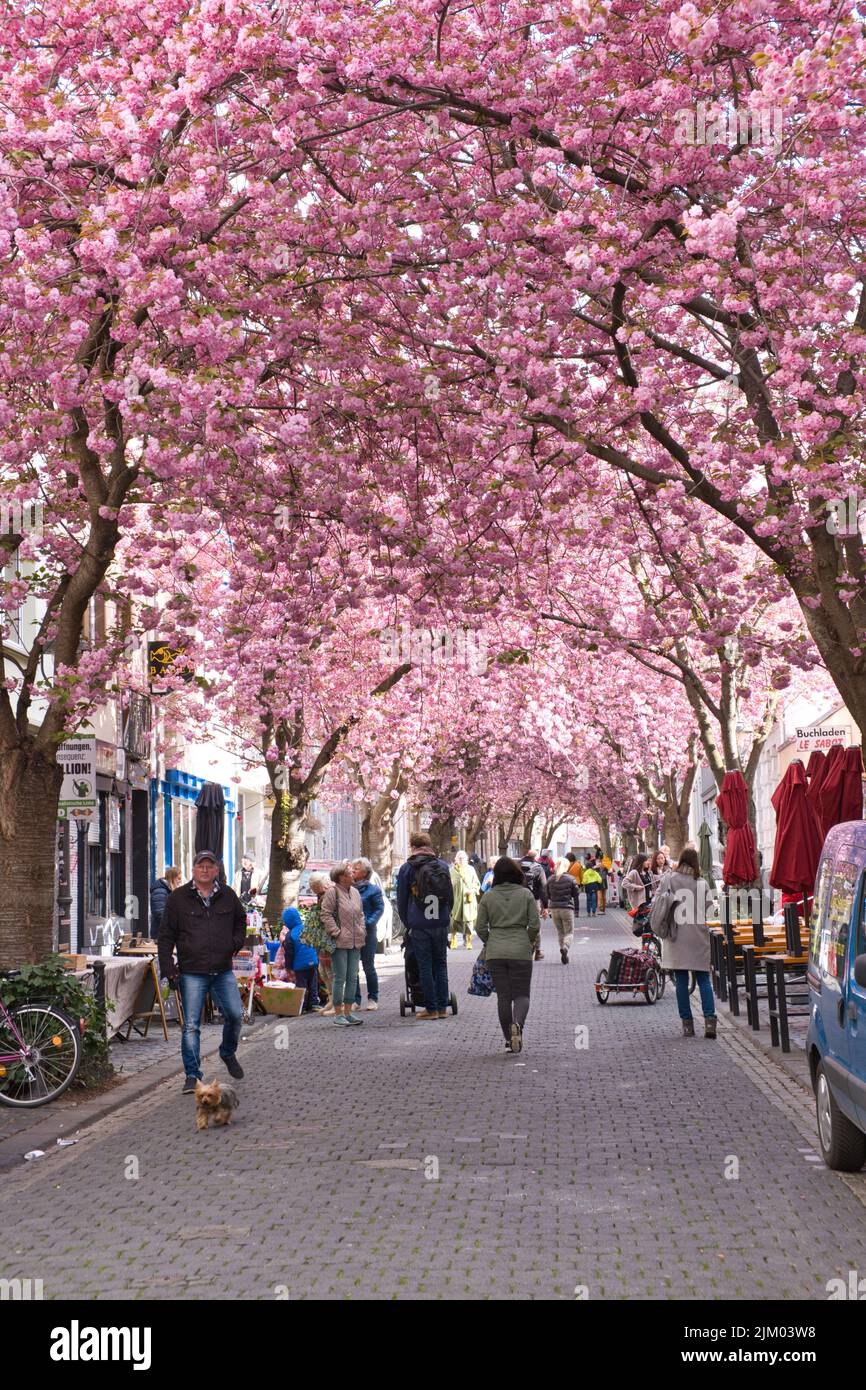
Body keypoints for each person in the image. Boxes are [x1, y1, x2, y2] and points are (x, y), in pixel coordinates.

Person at [158, 850, 246, 1093]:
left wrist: (234, 943)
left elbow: (241, 921)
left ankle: (227, 1052)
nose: (205, 870)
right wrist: (169, 969)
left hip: (222, 969)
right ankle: (192, 1075)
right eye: (201, 866)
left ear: (216, 870)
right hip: (192, 970)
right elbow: (165, 936)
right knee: (191, 1025)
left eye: (210, 866)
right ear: (193, 870)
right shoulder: (178, 899)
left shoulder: (228, 895)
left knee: (235, 1015)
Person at [475, 856, 540, 1053]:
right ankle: (517, 1026)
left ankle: (507, 1038)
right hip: (520, 949)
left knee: (503, 997)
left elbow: (479, 927)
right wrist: (527, 941)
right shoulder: (525, 895)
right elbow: (534, 925)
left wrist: (490, 940)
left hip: (495, 951)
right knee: (521, 994)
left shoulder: (489, 896)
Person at [657, 847, 717, 1038]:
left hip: (676, 936)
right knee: (704, 980)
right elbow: (710, 909)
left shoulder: (669, 879)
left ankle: (687, 1026)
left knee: (681, 981)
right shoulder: (701, 883)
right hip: (698, 936)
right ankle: (709, 1024)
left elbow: (658, 901)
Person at [396, 831, 454, 1020]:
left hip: (419, 924)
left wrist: (408, 922)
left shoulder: (408, 868)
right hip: (440, 922)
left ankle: (431, 1008)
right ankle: (442, 1006)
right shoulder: (443, 865)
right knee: (441, 964)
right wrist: (446, 916)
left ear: (413, 846)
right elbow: (450, 897)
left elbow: (402, 900)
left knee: (425, 966)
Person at [320, 862, 366, 1027]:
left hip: (356, 941)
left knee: (352, 977)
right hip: (340, 942)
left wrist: (362, 930)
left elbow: (360, 914)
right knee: (340, 978)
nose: (353, 874)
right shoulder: (332, 893)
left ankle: (348, 1011)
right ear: (341, 877)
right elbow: (325, 914)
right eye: (349, 873)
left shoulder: (354, 892)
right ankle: (338, 1013)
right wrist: (336, 932)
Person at [352, 857, 384, 1010]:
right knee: (353, 968)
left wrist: (368, 923)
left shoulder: (373, 890)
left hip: (367, 933)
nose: (352, 871)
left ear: (365, 872)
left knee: (368, 966)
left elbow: (379, 909)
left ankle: (373, 998)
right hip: (351, 933)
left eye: (356, 869)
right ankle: (355, 1000)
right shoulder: (348, 889)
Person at [280, 905, 324, 1013]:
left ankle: (302, 1006)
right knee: (313, 983)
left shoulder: (290, 935)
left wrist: (288, 967)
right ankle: (314, 1003)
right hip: (313, 961)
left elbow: (289, 953)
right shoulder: (307, 928)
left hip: (300, 965)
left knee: (301, 986)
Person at [307, 873, 335, 1012]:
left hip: (329, 938)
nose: (312, 889)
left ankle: (337, 1002)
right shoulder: (321, 896)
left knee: (331, 972)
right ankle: (331, 999)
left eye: (314, 886)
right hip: (322, 939)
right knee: (323, 971)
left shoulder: (329, 895)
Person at [548, 858, 580, 963]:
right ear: (567, 866)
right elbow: (576, 895)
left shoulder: (551, 879)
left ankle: (562, 949)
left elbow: (547, 894)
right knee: (569, 932)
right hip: (567, 908)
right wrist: (577, 910)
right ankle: (565, 947)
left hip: (554, 908)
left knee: (560, 932)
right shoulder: (571, 879)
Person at [519, 849, 548, 960]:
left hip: (518, 899)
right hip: (533, 900)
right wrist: (545, 906)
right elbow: (543, 888)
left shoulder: (516, 866)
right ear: (535, 857)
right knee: (535, 925)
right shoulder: (538, 868)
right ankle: (538, 950)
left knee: (520, 924)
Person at [449, 849, 481, 950]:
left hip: (468, 899)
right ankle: (453, 939)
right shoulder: (452, 870)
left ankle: (468, 941)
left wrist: (472, 891)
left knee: (469, 920)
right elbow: (448, 884)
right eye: (459, 858)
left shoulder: (471, 869)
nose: (461, 860)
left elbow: (476, 883)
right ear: (456, 859)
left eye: (463, 858)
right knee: (454, 920)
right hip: (456, 898)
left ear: (466, 859)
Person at [150, 865, 181, 935]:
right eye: (178, 878)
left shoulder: (170, 891)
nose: (180, 881)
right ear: (172, 878)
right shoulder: (160, 891)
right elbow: (160, 913)